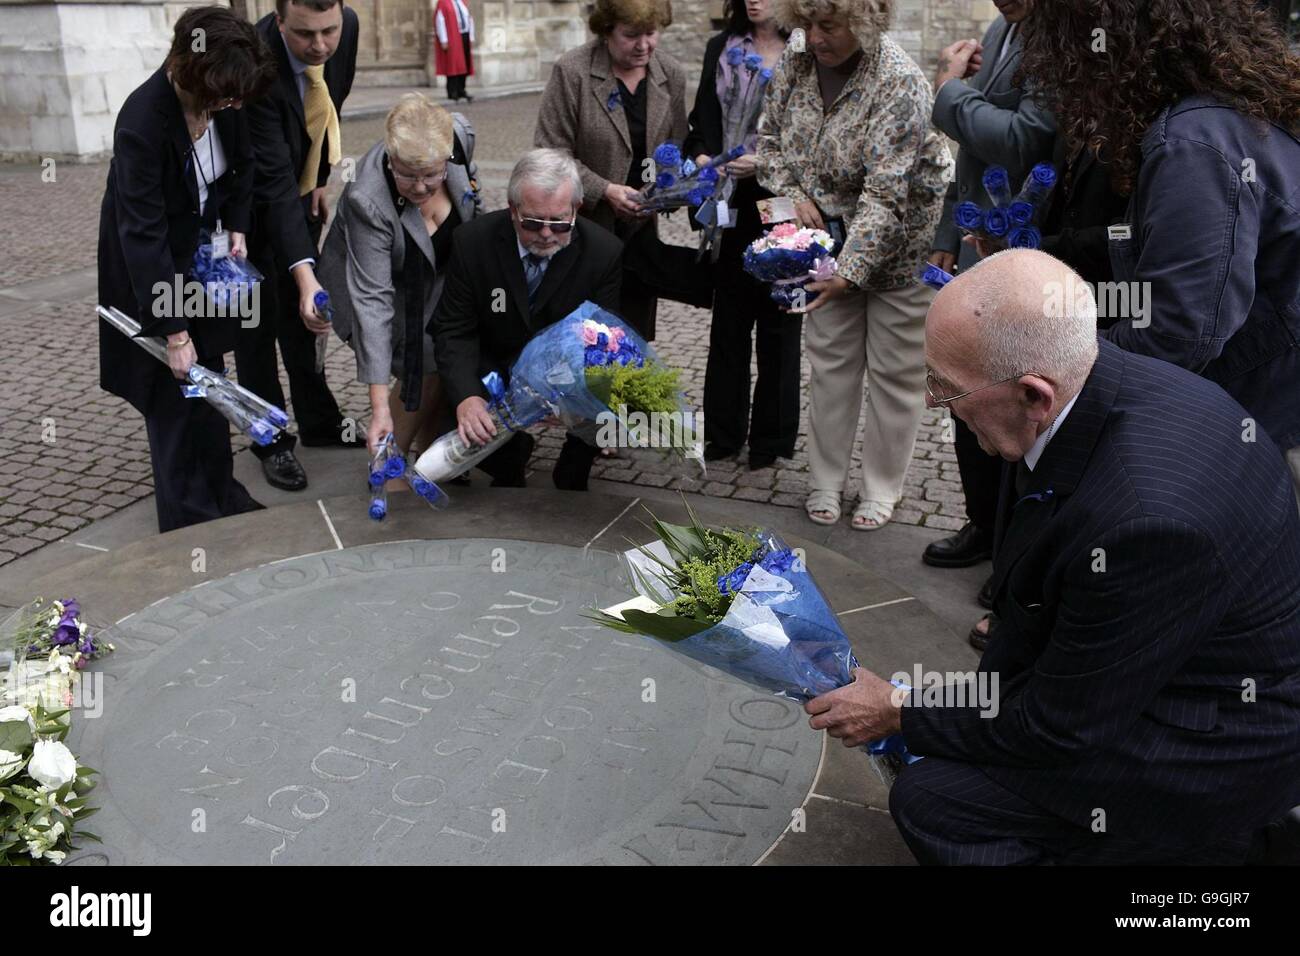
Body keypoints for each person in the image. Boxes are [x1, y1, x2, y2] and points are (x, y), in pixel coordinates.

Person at [806, 249, 1300, 865]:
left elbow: (1060, 725)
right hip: (1152, 677)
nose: (937, 404)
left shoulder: (1145, 524)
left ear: (1034, 395)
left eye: (946, 387)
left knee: (935, 801)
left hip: (1208, 742)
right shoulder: (1087, 390)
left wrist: (899, 711)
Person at [1019, 0, 1300, 506]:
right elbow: (1165, 268)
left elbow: (1177, 331)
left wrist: (1058, 363)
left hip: (1269, 419)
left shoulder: (1194, 143)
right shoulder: (1219, 117)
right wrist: (1054, 292)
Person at [757, 0, 952, 530]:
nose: (814, 38)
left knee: (895, 374)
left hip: (899, 249)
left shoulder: (898, 81)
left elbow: (886, 196)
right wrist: (794, 196)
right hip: (823, 243)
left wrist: (850, 271)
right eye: (807, 24)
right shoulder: (796, 61)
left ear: (864, 23)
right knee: (831, 366)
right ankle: (824, 481)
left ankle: (882, 487)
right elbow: (768, 144)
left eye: (829, 25)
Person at [97, 5, 275, 533]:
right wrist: (175, 332)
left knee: (210, 383)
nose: (231, 106)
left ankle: (222, 492)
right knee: (173, 394)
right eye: (222, 97)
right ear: (188, 69)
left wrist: (236, 225)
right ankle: (188, 522)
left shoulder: (228, 95)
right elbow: (143, 237)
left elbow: (242, 168)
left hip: (203, 260)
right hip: (149, 270)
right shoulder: (141, 122)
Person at [921, 0, 1055, 574]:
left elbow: (1025, 139)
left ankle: (1014, 553)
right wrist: (949, 226)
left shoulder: (1058, 33)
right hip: (980, 246)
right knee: (968, 391)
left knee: (1018, 401)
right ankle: (982, 522)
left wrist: (948, 89)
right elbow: (974, 150)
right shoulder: (1004, 24)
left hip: (1030, 248)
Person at [431, 149, 623, 491]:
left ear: (577, 209)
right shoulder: (472, 242)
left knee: (606, 384)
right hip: (495, 362)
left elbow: (602, 342)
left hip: (565, 370)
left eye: (560, 222)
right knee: (457, 412)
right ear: (512, 208)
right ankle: (510, 456)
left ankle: (575, 465)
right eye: (533, 222)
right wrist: (467, 398)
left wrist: (568, 392)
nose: (547, 234)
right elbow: (453, 329)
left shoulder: (604, 253)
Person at [237, 0, 362, 493]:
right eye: (305, 35)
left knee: (301, 319)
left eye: (328, 31)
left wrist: (318, 175)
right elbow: (270, 181)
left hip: (298, 188)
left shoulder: (345, 28)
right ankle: (268, 439)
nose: (321, 46)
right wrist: (305, 273)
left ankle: (319, 420)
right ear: (279, 19)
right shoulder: (255, 60)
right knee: (255, 325)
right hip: (242, 209)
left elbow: (330, 99)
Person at [316, 94, 482, 460]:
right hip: (372, 283)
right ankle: (387, 460)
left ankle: (430, 453)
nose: (421, 187)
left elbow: (470, 181)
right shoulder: (368, 198)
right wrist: (377, 411)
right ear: (390, 159)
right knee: (422, 358)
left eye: (432, 175)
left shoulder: (459, 134)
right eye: (407, 174)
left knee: (447, 345)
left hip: (435, 276)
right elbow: (373, 304)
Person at [682, 0, 794, 471]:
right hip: (727, 202)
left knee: (780, 324)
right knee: (728, 324)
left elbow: (813, 139)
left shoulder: (805, 51)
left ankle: (770, 439)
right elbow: (699, 121)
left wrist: (764, 164)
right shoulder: (721, 47)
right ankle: (723, 433)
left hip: (780, 201)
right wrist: (704, 155)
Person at [534, 0, 687, 341]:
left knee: (631, 336)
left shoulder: (670, 73)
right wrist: (603, 189)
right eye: (631, 35)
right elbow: (549, 151)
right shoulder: (573, 70)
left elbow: (677, 145)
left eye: (651, 33)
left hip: (641, 232)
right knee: (582, 335)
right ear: (606, 30)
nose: (643, 45)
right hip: (582, 230)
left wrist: (661, 190)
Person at [434, 0, 475, 103]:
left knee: (464, 63)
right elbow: (440, 20)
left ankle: (462, 89)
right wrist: (444, 39)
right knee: (453, 64)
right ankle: (452, 91)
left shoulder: (463, 2)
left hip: (464, 34)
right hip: (452, 35)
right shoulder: (443, 2)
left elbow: (469, 18)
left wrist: (471, 36)